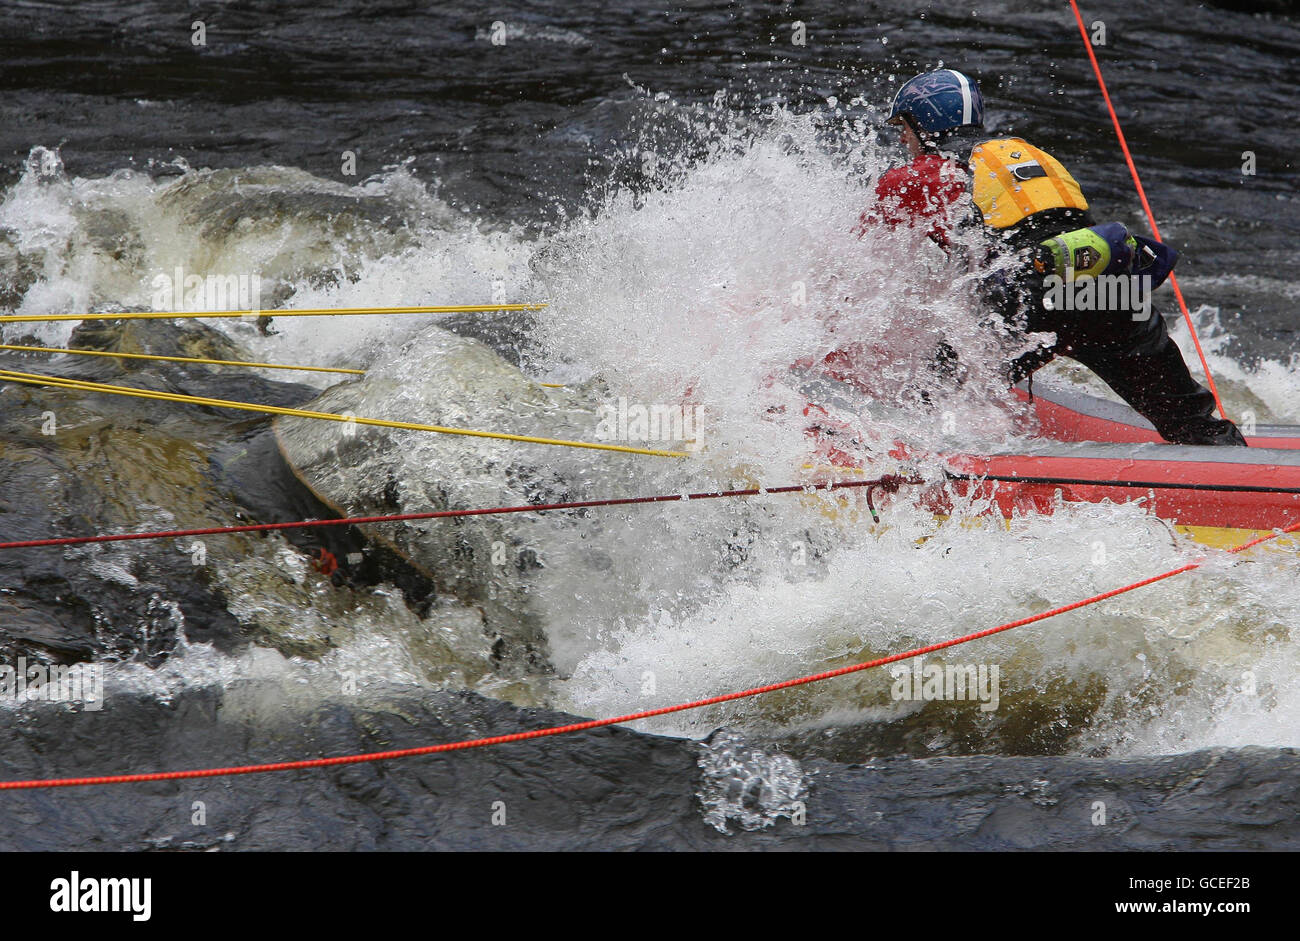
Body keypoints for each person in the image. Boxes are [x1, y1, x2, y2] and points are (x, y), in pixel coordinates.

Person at [858, 68, 1247, 447]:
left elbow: (860, 253)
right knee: (1191, 424)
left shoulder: (921, 175)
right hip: (1112, 292)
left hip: (1031, 300)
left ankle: (899, 458)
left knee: (928, 395)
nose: (903, 141)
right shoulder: (1028, 154)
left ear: (923, 124)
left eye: (904, 129)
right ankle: (1235, 466)